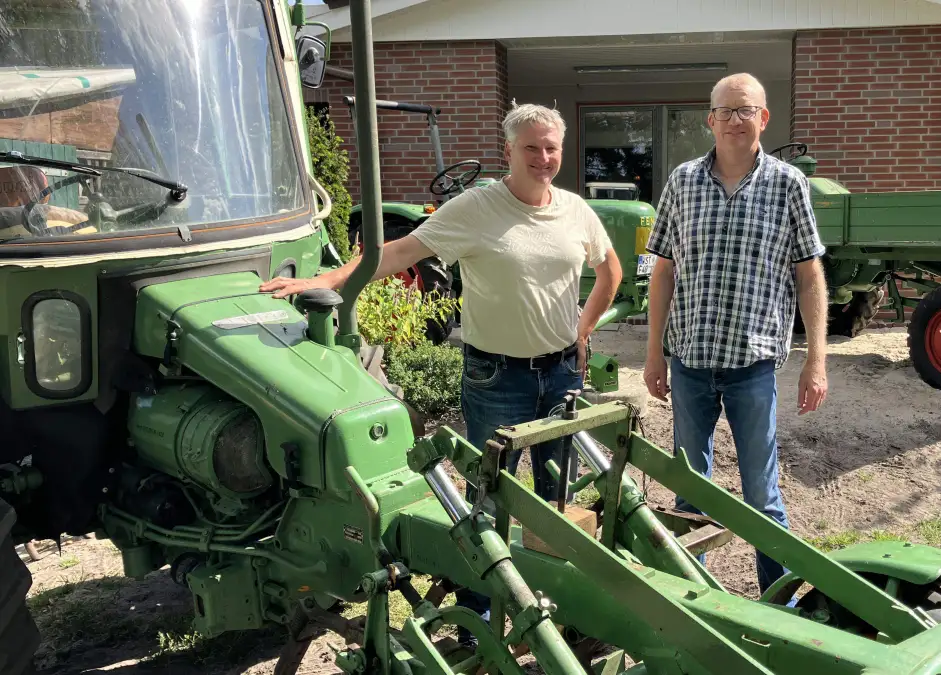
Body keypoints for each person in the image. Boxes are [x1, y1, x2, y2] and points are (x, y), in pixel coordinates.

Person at [260, 102, 622, 642]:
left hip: (562, 374)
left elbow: (609, 270)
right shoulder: (476, 208)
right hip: (496, 379)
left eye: (552, 148)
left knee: (555, 500)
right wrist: (334, 279)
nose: (543, 157)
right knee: (487, 503)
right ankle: (479, 620)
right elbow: (401, 251)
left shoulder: (575, 211)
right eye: (532, 147)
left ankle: (556, 610)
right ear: (509, 151)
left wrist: (582, 328)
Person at [641, 72, 829, 595]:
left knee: (761, 495)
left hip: (753, 364)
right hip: (690, 361)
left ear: (763, 118)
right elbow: (663, 272)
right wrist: (653, 356)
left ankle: (782, 606)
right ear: (710, 120)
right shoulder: (682, 181)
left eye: (745, 110)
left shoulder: (788, 184)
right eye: (724, 111)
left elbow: (809, 273)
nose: (733, 120)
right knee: (688, 494)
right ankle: (695, 602)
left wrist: (817, 359)